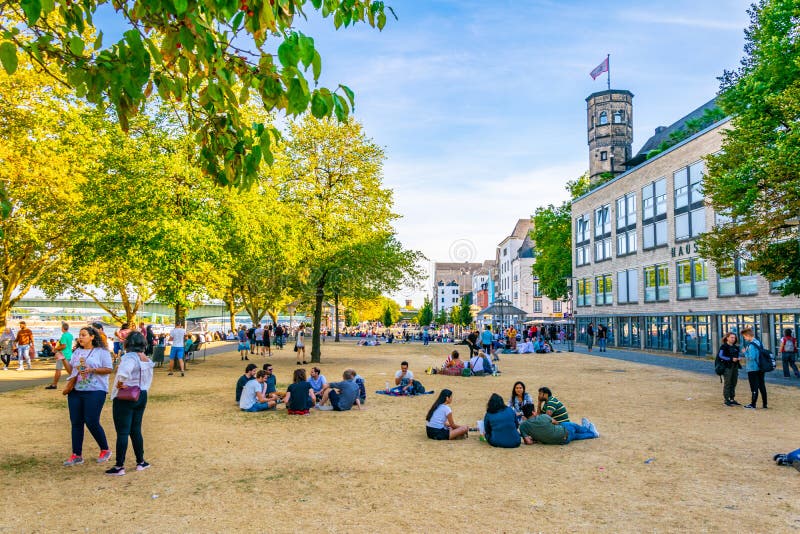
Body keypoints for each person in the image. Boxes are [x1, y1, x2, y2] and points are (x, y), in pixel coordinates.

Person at [63, 326, 114, 466]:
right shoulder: (77, 352)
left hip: (95, 390)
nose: (80, 337)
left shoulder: (102, 352)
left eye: (83, 335)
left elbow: (109, 369)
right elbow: (71, 371)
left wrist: (93, 369)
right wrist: (63, 359)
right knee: (76, 422)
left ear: (92, 337)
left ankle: (105, 449)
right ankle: (76, 455)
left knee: (91, 420)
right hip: (76, 390)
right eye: (79, 335)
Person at [106, 331, 155, 476]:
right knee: (136, 429)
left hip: (125, 396)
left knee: (122, 432)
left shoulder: (129, 357)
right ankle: (141, 461)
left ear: (128, 344)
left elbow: (123, 372)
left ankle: (119, 466)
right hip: (141, 394)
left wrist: (120, 383)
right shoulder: (145, 358)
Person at [519, 404, 599, 445]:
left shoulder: (523, 426)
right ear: (533, 412)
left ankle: (593, 434)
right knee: (567, 424)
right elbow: (556, 422)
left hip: (561, 441)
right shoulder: (543, 416)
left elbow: (528, 442)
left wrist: (536, 438)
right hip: (564, 433)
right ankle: (585, 428)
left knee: (575, 436)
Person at [742, 328, 767, 409]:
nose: (744, 338)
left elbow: (751, 357)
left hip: (752, 368)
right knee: (762, 385)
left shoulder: (751, 345)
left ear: (748, 335)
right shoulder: (759, 342)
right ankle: (765, 404)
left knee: (754, 386)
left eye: (744, 336)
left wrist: (745, 352)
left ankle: (753, 404)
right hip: (761, 367)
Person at [47, 322, 74, 390]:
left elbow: (63, 345)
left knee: (58, 370)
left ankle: (54, 384)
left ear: (62, 328)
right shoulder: (70, 335)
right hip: (69, 354)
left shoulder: (64, 336)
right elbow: (68, 345)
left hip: (62, 354)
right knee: (70, 370)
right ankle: (75, 382)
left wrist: (55, 349)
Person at [717, 332, 741, 406]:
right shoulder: (724, 347)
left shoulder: (736, 347)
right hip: (727, 367)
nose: (733, 339)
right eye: (731, 337)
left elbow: (738, 354)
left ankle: (732, 399)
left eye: (734, 337)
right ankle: (726, 399)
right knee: (728, 383)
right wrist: (731, 359)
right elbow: (720, 356)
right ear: (727, 338)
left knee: (734, 383)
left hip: (735, 367)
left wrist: (738, 358)